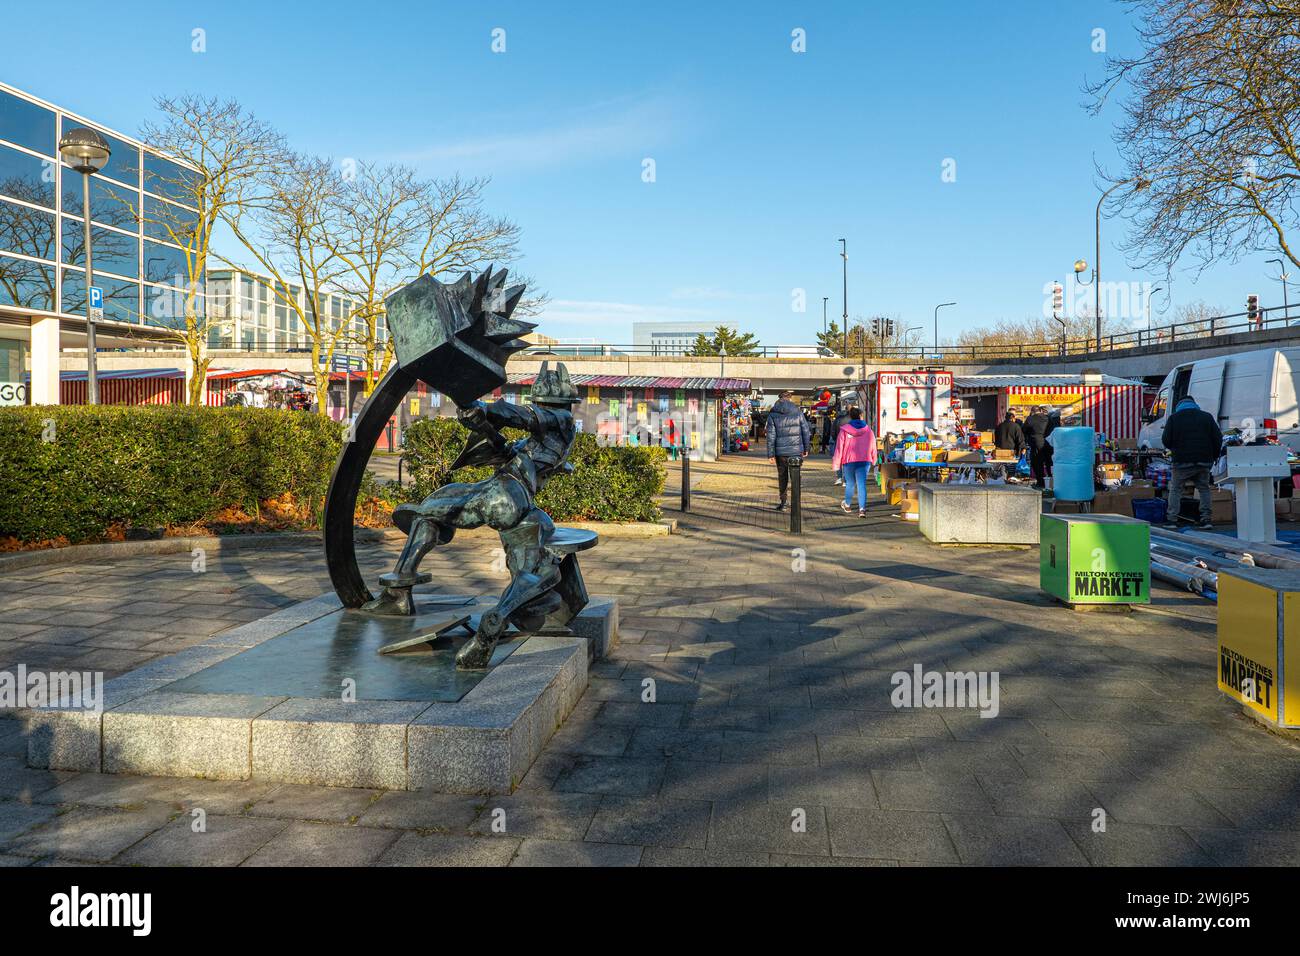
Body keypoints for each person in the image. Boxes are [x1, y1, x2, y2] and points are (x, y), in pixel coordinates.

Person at [1161, 395, 1223, 529]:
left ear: (1179, 406)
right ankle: (1206, 519)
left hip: (1182, 461)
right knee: (1204, 489)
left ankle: (1172, 519)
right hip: (1204, 461)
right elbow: (1218, 438)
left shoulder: (1174, 418)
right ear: (1194, 404)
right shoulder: (1206, 417)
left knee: (1176, 489)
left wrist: (1174, 448)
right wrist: (1214, 456)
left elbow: (1166, 439)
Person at [766, 390, 811, 511]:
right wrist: (806, 448)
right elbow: (805, 430)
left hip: (780, 453)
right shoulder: (798, 411)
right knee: (795, 477)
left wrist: (770, 454)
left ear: (779, 398)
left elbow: (770, 435)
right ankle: (796, 503)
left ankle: (783, 502)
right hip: (796, 450)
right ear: (790, 399)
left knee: (782, 477)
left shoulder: (773, 413)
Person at [832, 405, 877, 518]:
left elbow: (839, 448)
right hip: (864, 460)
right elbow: (873, 445)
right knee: (862, 484)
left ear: (851, 417)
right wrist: (874, 459)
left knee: (850, 484)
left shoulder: (844, 430)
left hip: (849, 460)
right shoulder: (868, 430)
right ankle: (862, 509)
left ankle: (847, 505)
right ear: (861, 416)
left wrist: (836, 464)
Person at [1022, 405, 1054, 489]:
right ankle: (1051, 481)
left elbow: (1024, 429)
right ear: (1040, 410)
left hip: (1037, 443)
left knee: (1036, 463)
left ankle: (1041, 482)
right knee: (1049, 462)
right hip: (1049, 443)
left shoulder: (1030, 419)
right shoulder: (1048, 418)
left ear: (1032, 412)